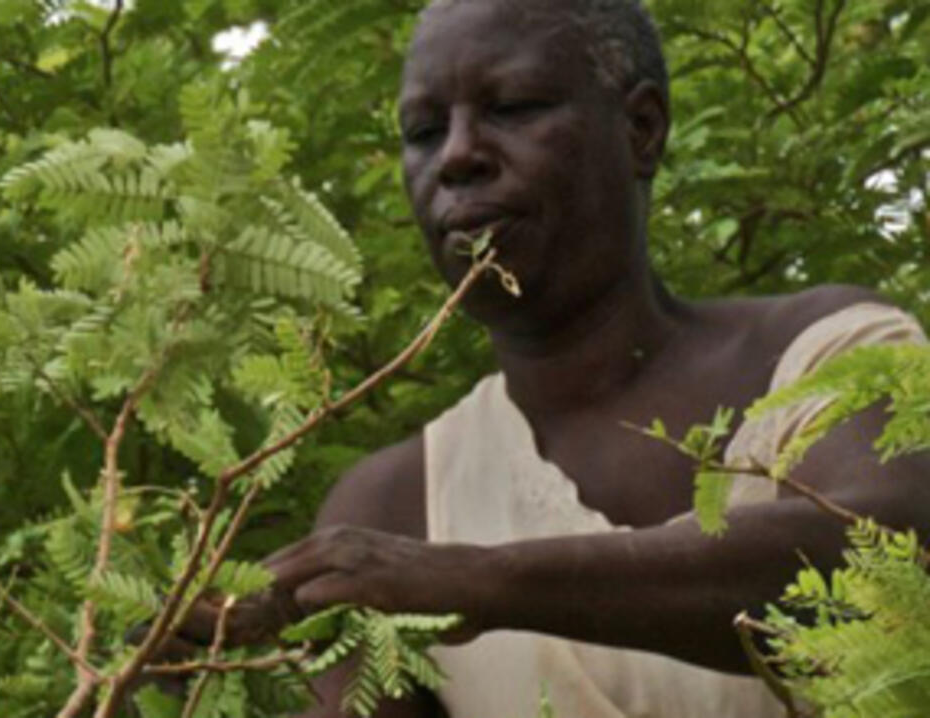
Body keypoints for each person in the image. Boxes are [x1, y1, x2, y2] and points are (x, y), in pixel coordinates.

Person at [246, 0, 930, 716]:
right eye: (423, 132)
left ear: (642, 129)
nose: (455, 155)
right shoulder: (393, 505)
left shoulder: (834, 350)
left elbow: (879, 569)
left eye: (511, 107)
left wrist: (473, 581)